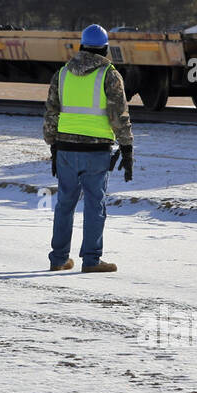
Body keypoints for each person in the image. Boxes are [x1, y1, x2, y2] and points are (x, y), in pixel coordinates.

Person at [42, 24, 133, 274]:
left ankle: (59, 258)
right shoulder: (109, 74)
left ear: (81, 46)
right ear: (104, 48)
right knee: (95, 204)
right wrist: (127, 147)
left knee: (64, 204)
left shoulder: (62, 74)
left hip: (66, 150)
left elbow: (51, 113)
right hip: (96, 151)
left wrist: (53, 145)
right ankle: (91, 260)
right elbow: (119, 116)